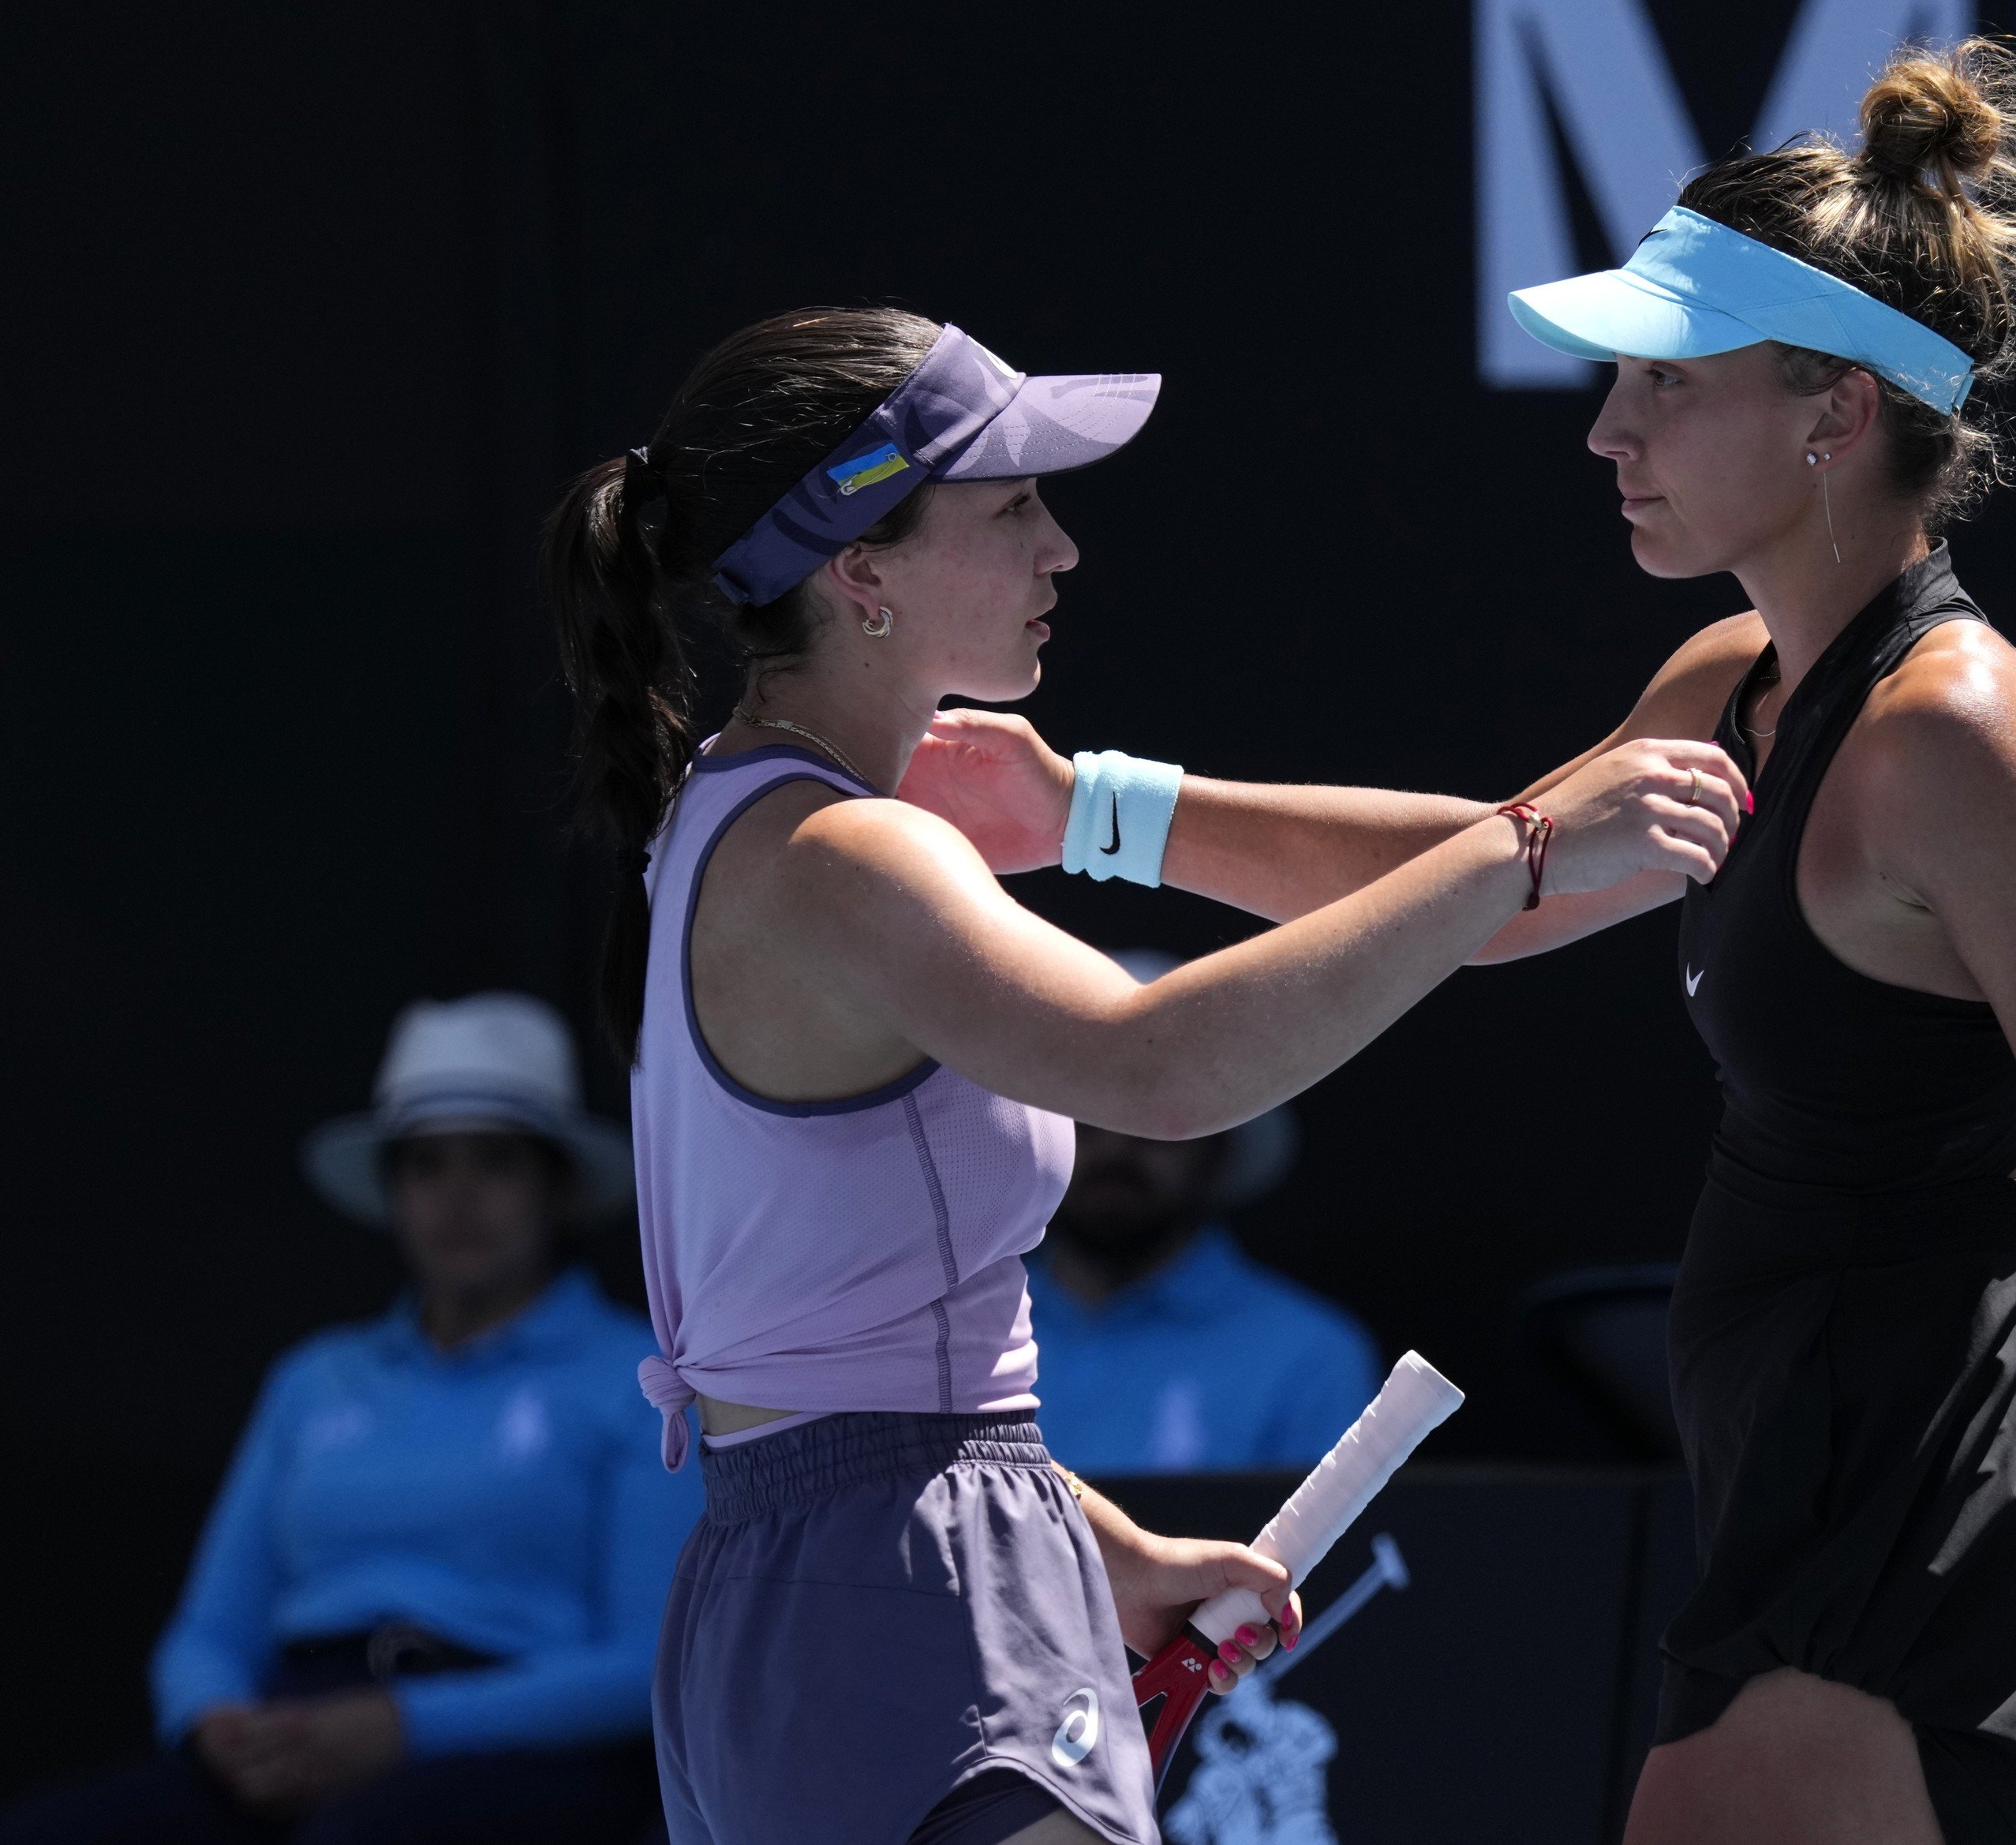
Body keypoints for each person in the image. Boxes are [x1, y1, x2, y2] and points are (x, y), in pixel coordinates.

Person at [909, 42, 2016, 1845]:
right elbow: (1487, 884)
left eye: (1661, 384)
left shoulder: (1966, 738)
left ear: (1834, 413)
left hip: (1963, 1526)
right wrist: (1092, 810)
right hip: (1814, 1504)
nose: (1608, 430)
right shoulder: (1733, 687)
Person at [548, 309, 1745, 1845]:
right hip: (903, 1600)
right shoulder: (849, 851)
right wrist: (1519, 852)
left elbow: (818, 1360)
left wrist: (1086, 1544)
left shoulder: (723, 819)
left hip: (818, 1593)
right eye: (1010, 509)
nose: (1062, 550)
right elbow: (1158, 1064)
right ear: (861, 568)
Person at [0, 993, 701, 1845]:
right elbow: (209, 1630)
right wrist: (217, 1725)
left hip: (511, 1747)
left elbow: (648, 1665)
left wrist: (406, 1725)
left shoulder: (635, 1377)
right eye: (427, 1165)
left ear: (555, 1186)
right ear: (393, 1189)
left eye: (496, 1162)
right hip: (289, 1730)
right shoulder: (315, 1377)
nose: (458, 1197)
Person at [1029, 952, 1379, 1476]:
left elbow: (1330, 1558)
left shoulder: (1311, 1353)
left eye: (1156, 1124)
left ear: (1221, 1150)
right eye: (1086, 1120)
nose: (1116, 1151)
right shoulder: (944, 1332)